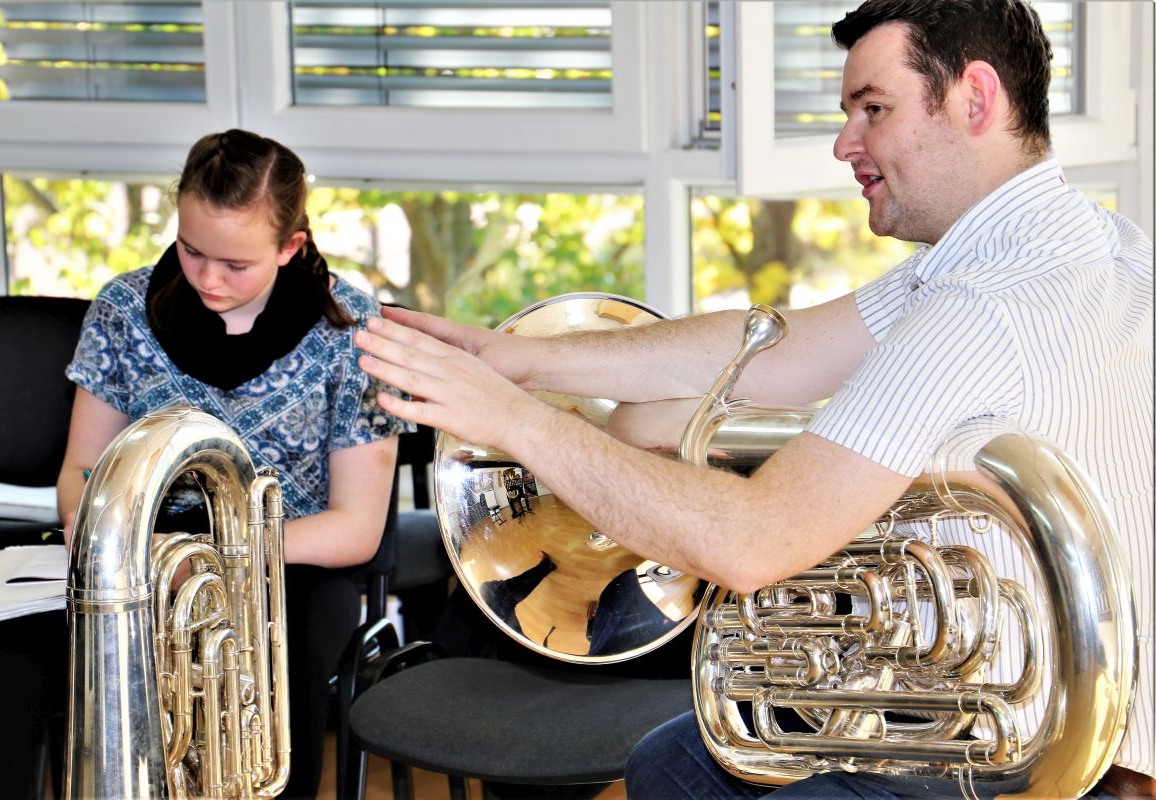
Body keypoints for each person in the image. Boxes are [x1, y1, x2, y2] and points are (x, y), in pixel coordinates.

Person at [350, 1, 1153, 798]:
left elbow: (752, 541)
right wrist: (524, 361)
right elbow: (775, 351)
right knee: (670, 762)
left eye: (874, 109)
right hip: (1090, 731)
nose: (845, 143)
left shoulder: (976, 306)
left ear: (975, 99)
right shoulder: (1100, 246)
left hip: (1020, 754)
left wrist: (511, 421)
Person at [57, 129, 410, 799]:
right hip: (149, 559)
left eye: (236, 264)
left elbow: (356, 528)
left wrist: (205, 559)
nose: (208, 279)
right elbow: (80, 473)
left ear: (289, 247)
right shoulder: (123, 311)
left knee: (272, 656)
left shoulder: (354, 329)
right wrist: (124, 543)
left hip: (294, 564)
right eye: (191, 250)